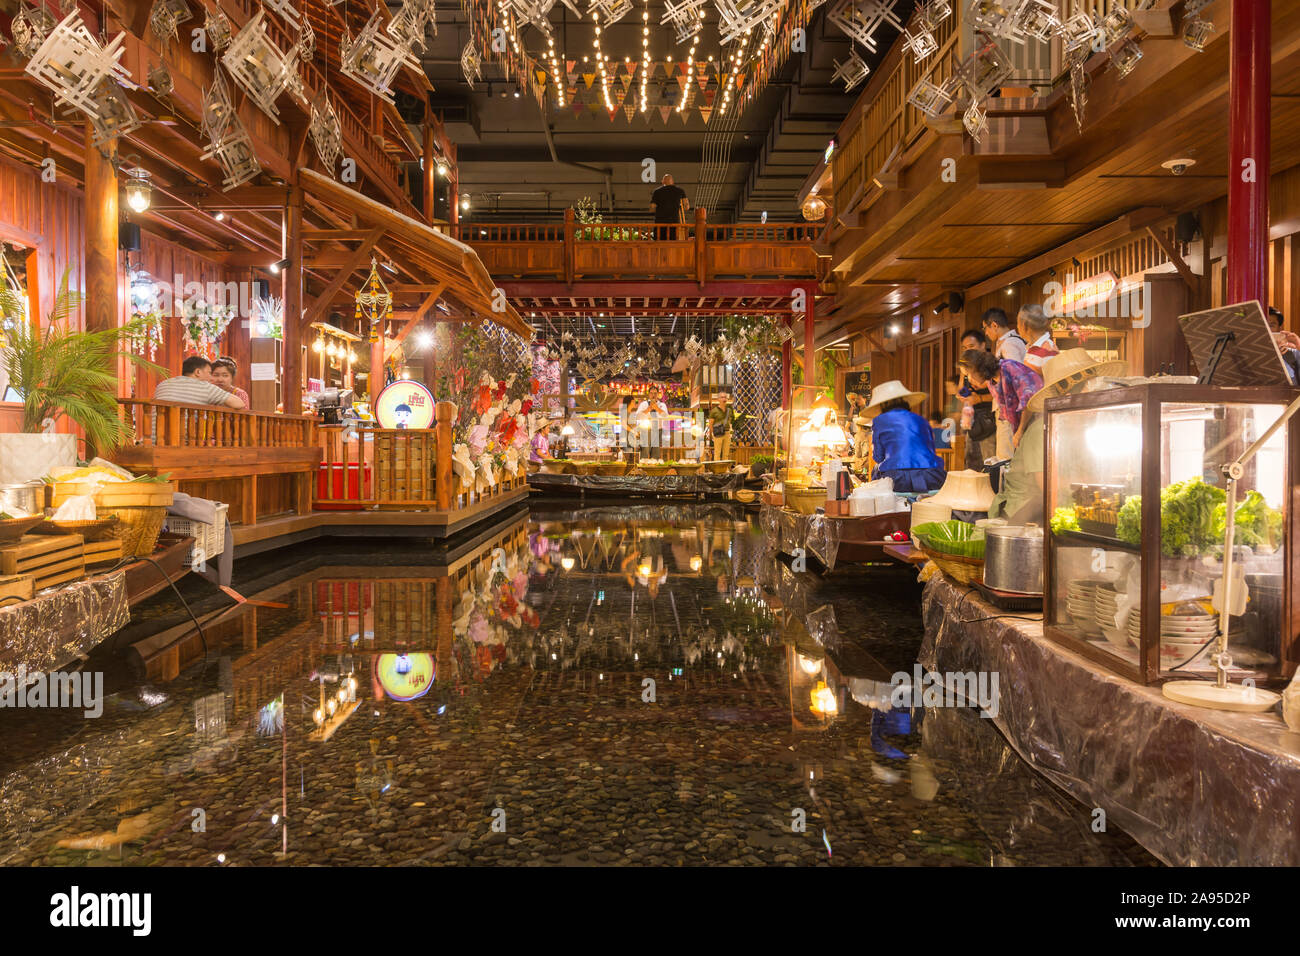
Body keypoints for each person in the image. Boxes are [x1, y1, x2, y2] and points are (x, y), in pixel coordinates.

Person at [989, 349, 1127, 523]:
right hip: (1026, 510)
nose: (1097, 399)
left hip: (1069, 504)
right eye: (1090, 392)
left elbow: (1095, 470)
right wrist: (1094, 481)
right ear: (1069, 397)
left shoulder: (1085, 429)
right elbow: (1048, 484)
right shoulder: (1043, 430)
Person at [861, 380, 945, 493]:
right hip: (933, 476)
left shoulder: (879, 421)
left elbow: (878, 457)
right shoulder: (921, 420)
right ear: (904, 401)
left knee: (876, 472)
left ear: (882, 405)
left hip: (898, 479)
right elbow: (930, 450)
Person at [959, 348, 1042, 459]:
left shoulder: (1010, 368)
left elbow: (1029, 401)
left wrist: (1020, 430)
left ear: (978, 369)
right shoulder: (991, 381)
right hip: (1022, 428)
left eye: (968, 374)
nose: (968, 379)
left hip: (1038, 422)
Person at [957, 329, 995, 470]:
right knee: (971, 461)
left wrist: (978, 398)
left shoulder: (991, 366)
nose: (967, 350)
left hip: (989, 422)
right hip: (971, 420)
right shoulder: (965, 367)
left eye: (971, 346)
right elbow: (961, 389)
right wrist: (962, 394)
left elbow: (999, 394)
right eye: (964, 348)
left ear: (983, 345)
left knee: (989, 461)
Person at [155, 355, 246, 408]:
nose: (211, 378)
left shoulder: (163, 384)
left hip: (156, 438)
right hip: (186, 439)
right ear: (198, 372)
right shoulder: (205, 387)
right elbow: (240, 404)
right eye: (210, 373)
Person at [1018, 304, 1058, 373]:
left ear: (1024, 325)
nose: (1017, 327)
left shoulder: (1048, 350)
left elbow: (1052, 381)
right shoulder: (1031, 346)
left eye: (1017, 323)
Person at [649, 174, 688, 241]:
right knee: (672, 243)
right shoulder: (680, 190)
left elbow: (652, 207)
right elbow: (686, 206)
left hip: (660, 223)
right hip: (674, 222)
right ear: (672, 182)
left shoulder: (657, 191)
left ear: (663, 182)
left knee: (659, 243)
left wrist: (653, 210)